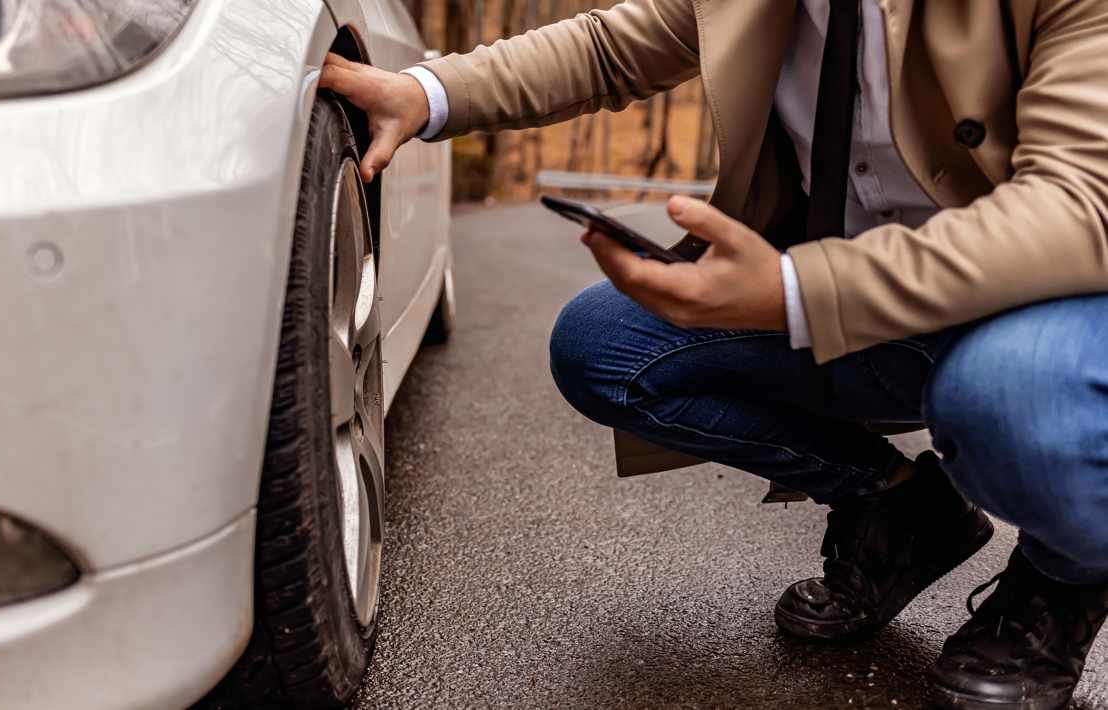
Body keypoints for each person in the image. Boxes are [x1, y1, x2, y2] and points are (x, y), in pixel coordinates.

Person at [318, 1, 1108, 707]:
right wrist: (423, 93)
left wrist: (799, 287)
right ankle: (903, 511)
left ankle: (1065, 577)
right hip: (858, 304)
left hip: (1036, 308)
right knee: (606, 346)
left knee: (1009, 399)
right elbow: (604, 49)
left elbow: (1081, 208)